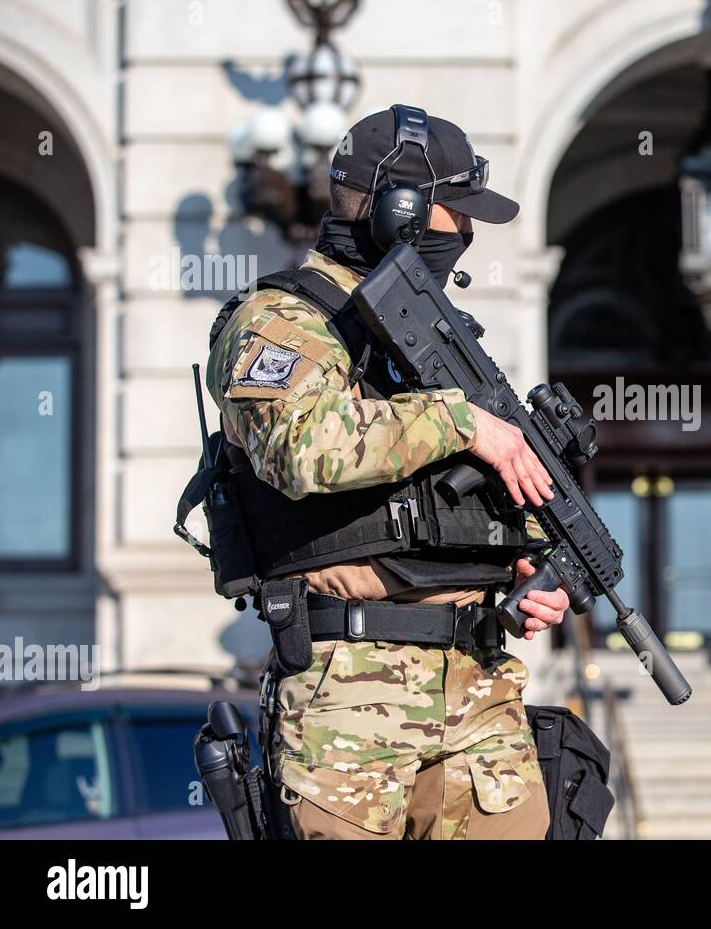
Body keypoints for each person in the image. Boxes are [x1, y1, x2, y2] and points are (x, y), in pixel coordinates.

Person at [205, 105, 568, 839]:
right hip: (351, 698)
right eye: (454, 212)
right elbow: (301, 446)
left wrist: (526, 574)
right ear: (399, 214)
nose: (464, 233)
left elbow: (470, 500)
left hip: (479, 689)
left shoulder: (437, 338)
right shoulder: (282, 320)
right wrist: (463, 423)